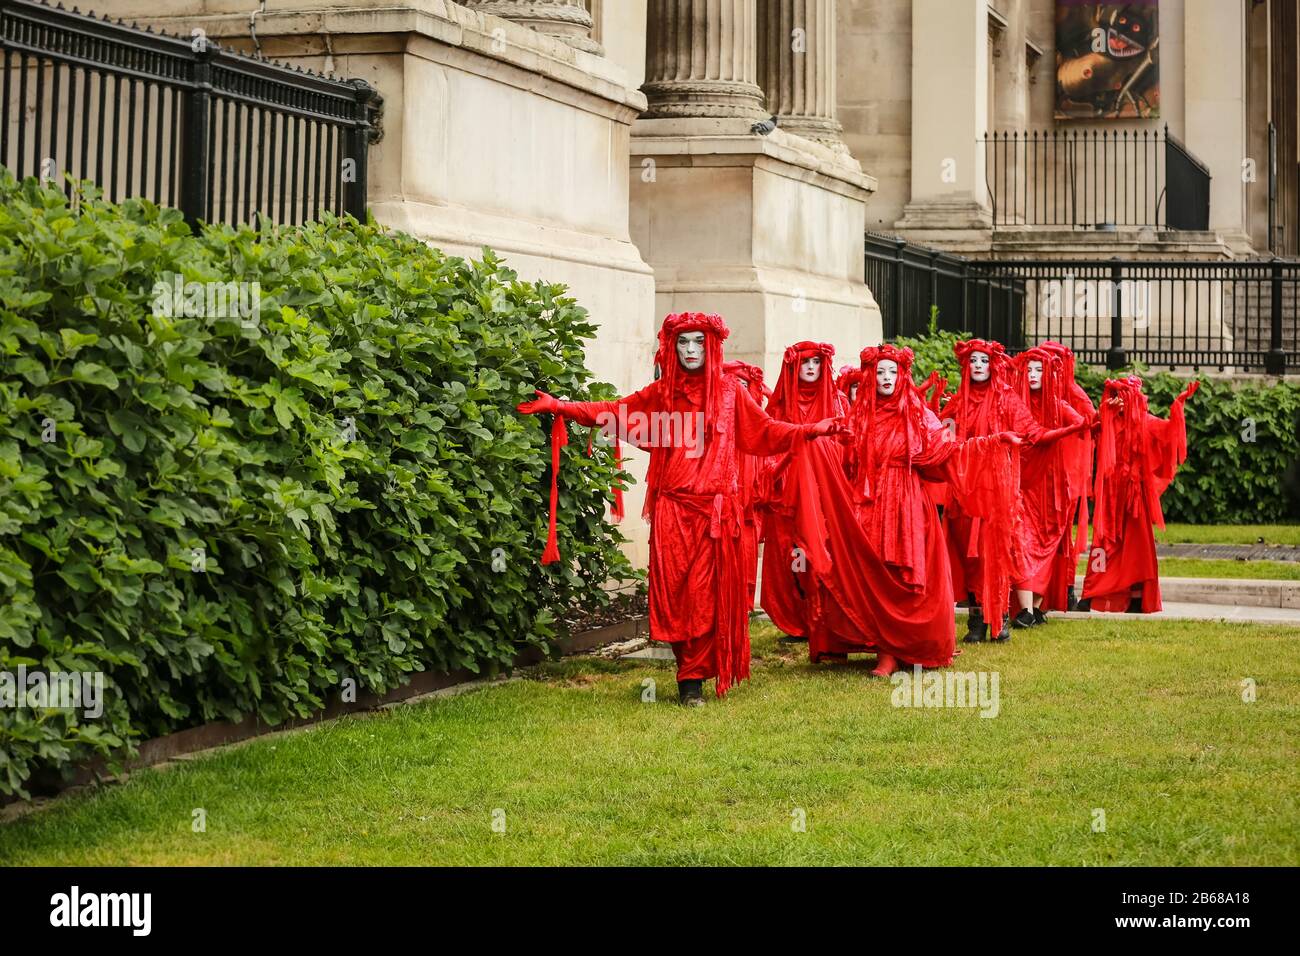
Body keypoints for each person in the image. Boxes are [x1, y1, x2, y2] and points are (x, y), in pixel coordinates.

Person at [516, 312, 845, 706]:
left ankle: (693, 680)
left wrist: (811, 429)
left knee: (706, 595)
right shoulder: (661, 394)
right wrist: (562, 407)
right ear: (672, 347)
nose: (691, 350)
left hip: (715, 515)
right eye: (683, 342)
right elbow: (615, 411)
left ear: (712, 346)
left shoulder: (730, 393)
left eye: (698, 343)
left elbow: (766, 431)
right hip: (673, 510)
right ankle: (686, 667)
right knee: (676, 594)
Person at [841, 344, 1022, 675]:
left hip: (908, 504)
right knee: (878, 575)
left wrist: (991, 444)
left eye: (892, 372)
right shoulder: (860, 414)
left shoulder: (916, 413)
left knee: (908, 578)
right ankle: (886, 651)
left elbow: (948, 452)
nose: (886, 378)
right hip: (871, 501)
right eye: (880, 371)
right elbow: (844, 459)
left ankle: (910, 645)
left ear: (902, 376)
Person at [939, 339, 1084, 641]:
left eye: (983, 361)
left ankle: (1000, 618)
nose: (978, 366)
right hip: (965, 490)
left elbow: (1033, 434)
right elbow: (944, 436)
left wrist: (1068, 430)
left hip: (997, 490)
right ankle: (977, 620)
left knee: (998, 552)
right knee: (971, 557)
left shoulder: (1006, 399)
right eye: (973, 361)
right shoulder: (957, 403)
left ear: (992, 365)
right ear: (966, 366)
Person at [757, 342, 855, 657]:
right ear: (793, 367)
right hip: (788, 495)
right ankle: (796, 621)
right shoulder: (780, 406)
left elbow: (848, 447)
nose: (810, 368)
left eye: (816, 362)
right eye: (804, 363)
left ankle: (823, 621)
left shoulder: (837, 403)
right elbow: (767, 444)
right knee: (790, 558)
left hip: (824, 495)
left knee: (819, 557)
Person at [1080, 375, 1199, 613]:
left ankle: (1136, 596)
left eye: (1122, 395)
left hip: (1135, 501)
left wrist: (1178, 407)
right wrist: (1105, 410)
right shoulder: (1107, 421)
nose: (1118, 400)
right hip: (1111, 500)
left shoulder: (1145, 422)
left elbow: (1169, 432)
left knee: (1138, 549)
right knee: (1103, 547)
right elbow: (1089, 427)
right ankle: (1091, 594)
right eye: (1115, 395)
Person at [1010, 346, 1084, 625]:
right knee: (1022, 543)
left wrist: (1072, 388)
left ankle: (1035, 608)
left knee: (1046, 543)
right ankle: (1026, 610)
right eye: (1029, 368)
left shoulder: (1059, 406)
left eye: (1039, 369)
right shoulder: (1015, 403)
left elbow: (1085, 421)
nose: (1032, 374)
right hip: (1023, 484)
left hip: (1052, 487)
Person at [1040, 341, 1097, 611]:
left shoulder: (1072, 394)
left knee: (1061, 535)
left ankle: (1064, 590)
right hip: (1045, 476)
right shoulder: (1043, 392)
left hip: (1066, 477)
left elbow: (1091, 423)